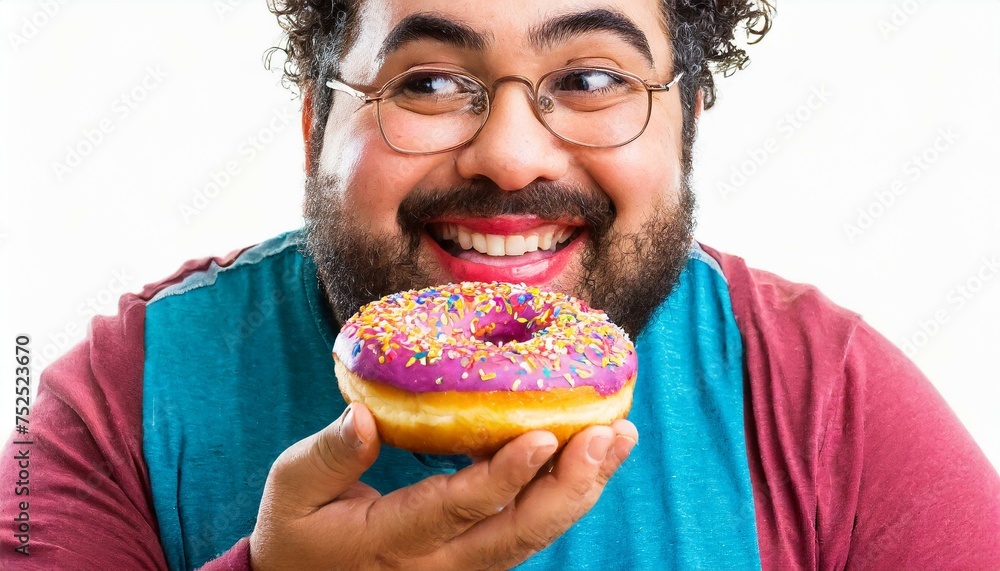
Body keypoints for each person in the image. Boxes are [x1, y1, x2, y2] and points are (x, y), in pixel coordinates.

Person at [2, 0, 999, 569]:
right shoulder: (116, 401)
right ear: (316, 129)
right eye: (427, 83)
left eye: (592, 78)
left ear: (686, 124)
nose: (512, 157)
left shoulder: (827, 404)